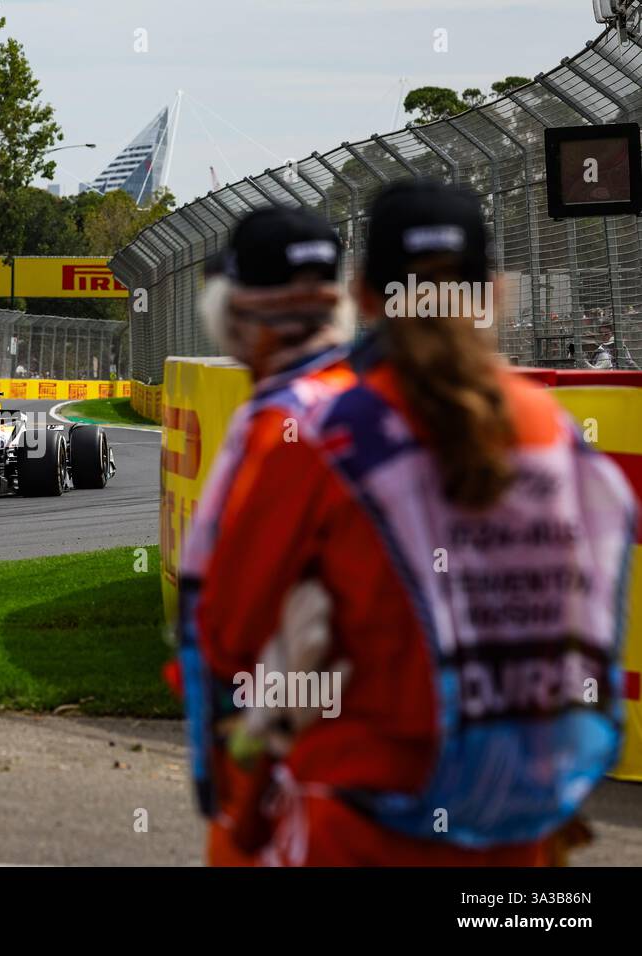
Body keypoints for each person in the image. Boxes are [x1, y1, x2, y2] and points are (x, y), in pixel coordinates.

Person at [191, 179, 635, 866]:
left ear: (365, 297)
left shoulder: (322, 436)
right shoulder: (559, 434)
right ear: (493, 293)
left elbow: (224, 633)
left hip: (365, 822)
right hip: (522, 827)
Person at [175, 208, 358, 866]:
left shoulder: (283, 432)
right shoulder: (370, 400)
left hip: (307, 782)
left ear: (233, 311)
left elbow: (229, 627)